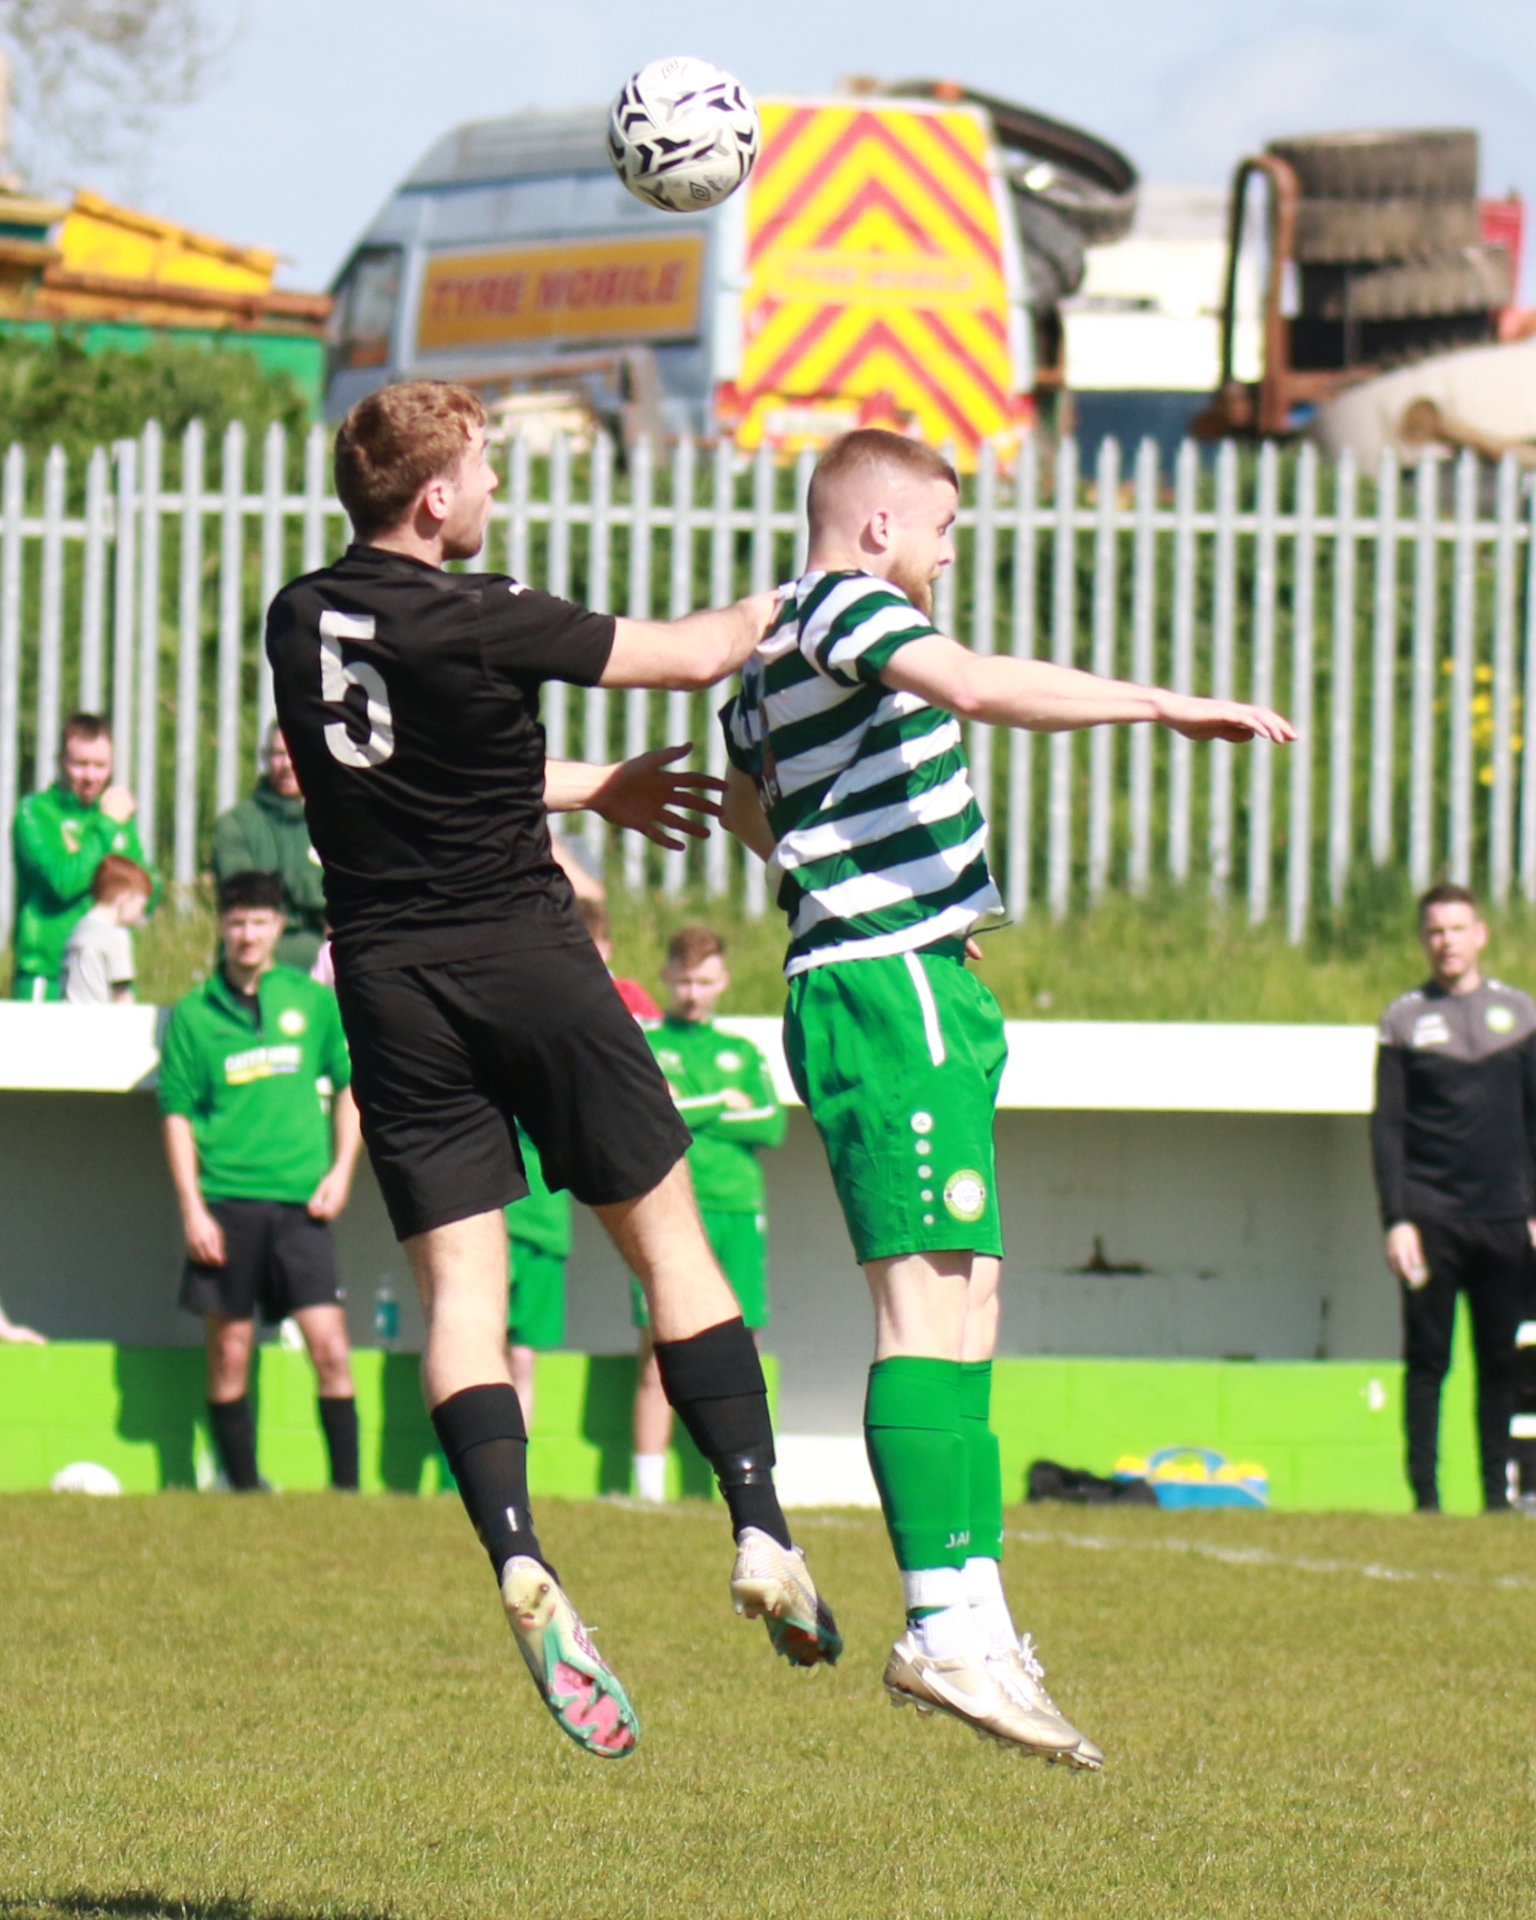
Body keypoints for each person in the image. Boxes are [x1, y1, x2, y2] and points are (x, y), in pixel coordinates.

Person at [265, 379, 840, 1763]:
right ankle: (760, 1524)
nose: (493, 492)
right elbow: (694, 655)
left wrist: (592, 787)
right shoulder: (483, 611)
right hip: (527, 957)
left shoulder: (297, 617)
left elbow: (421, 770)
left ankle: (519, 1552)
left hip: (388, 984)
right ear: (435, 498)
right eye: (483, 469)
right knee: (672, 1249)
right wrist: (816, 584)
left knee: (461, 1295)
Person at [719, 427, 1292, 1765]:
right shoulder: (843, 604)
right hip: (887, 985)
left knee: (973, 1297)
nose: (947, 555)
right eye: (943, 530)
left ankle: (978, 1613)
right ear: (878, 527)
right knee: (925, 1302)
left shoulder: (765, 654)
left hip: (915, 973)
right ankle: (940, 1626)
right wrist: (1162, 704)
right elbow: (973, 685)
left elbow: (750, 805)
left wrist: (845, 874)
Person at [159, 870, 364, 1495]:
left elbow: (352, 1085)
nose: (247, 934)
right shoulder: (194, 1015)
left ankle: (348, 1495)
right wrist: (193, 1209)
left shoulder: (311, 1002)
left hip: (302, 1206)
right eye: (237, 922)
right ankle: (243, 1491)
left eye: (258, 922)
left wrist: (341, 1170)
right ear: (222, 927)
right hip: (227, 1203)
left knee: (330, 1348)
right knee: (229, 1352)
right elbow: (176, 1114)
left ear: (277, 927)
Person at [1371, 883, 1536, 1515]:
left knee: (1499, 1362)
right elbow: (1387, 1127)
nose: (1447, 942)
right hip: (1430, 1220)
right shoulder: (1403, 1020)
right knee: (1427, 1362)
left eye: (1458, 929)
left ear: (1481, 935)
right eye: (1435, 931)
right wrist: (1397, 1219)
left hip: (1504, 1220)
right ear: (1422, 940)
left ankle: (1496, 1498)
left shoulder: (1519, 1014)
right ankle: (1426, 1501)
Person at [631, 926, 785, 1503]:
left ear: (723, 981)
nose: (693, 993)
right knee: (657, 1352)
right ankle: (647, 1491)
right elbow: (651, 1112)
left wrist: (690, 1107)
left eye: (704, 981)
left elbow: (772, 1124)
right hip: (669, 1211)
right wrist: (722, 1102)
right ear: (665, 977)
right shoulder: (645, 1043)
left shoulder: (742, 1052)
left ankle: (748, 1486)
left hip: (739, 1209)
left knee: (744, 1348)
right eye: (684, 981)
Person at [12, 712, 155, 1001]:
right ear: (60, 761)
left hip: (106, 974)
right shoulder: (35, 812)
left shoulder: (115, 815)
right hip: (48, 977)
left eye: (100, 766)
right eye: (80, 764)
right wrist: (106, 826)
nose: (91, 776)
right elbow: (61, 881)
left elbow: (145, 887)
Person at [211, 723, 328, 971]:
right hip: (257, 951)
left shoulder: (339, 822)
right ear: (264, 757)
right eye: (279, 754)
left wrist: (280, 879)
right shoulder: (236, 824)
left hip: (326, 948)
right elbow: (246, 896)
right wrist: (316, 895)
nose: (288, 764)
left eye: (297, 753)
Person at [506, 1123, 571, 1431]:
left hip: (546, 1233)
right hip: (489, 1224)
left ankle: (513, 1456)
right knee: (477, 1349)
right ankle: (455, 1460)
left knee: (522, 1358)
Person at [61, 855, 153, 1004]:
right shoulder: (116, 936)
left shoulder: (77, 931)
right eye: (141, 906)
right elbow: (121, 995)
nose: (141, 914)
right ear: (125, 898)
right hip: (100, 1016)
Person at [577, 895, 661, 1020]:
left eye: (591, 953)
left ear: (608, 949)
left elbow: (656, 1029)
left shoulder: (629, 996)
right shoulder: (553, 996)